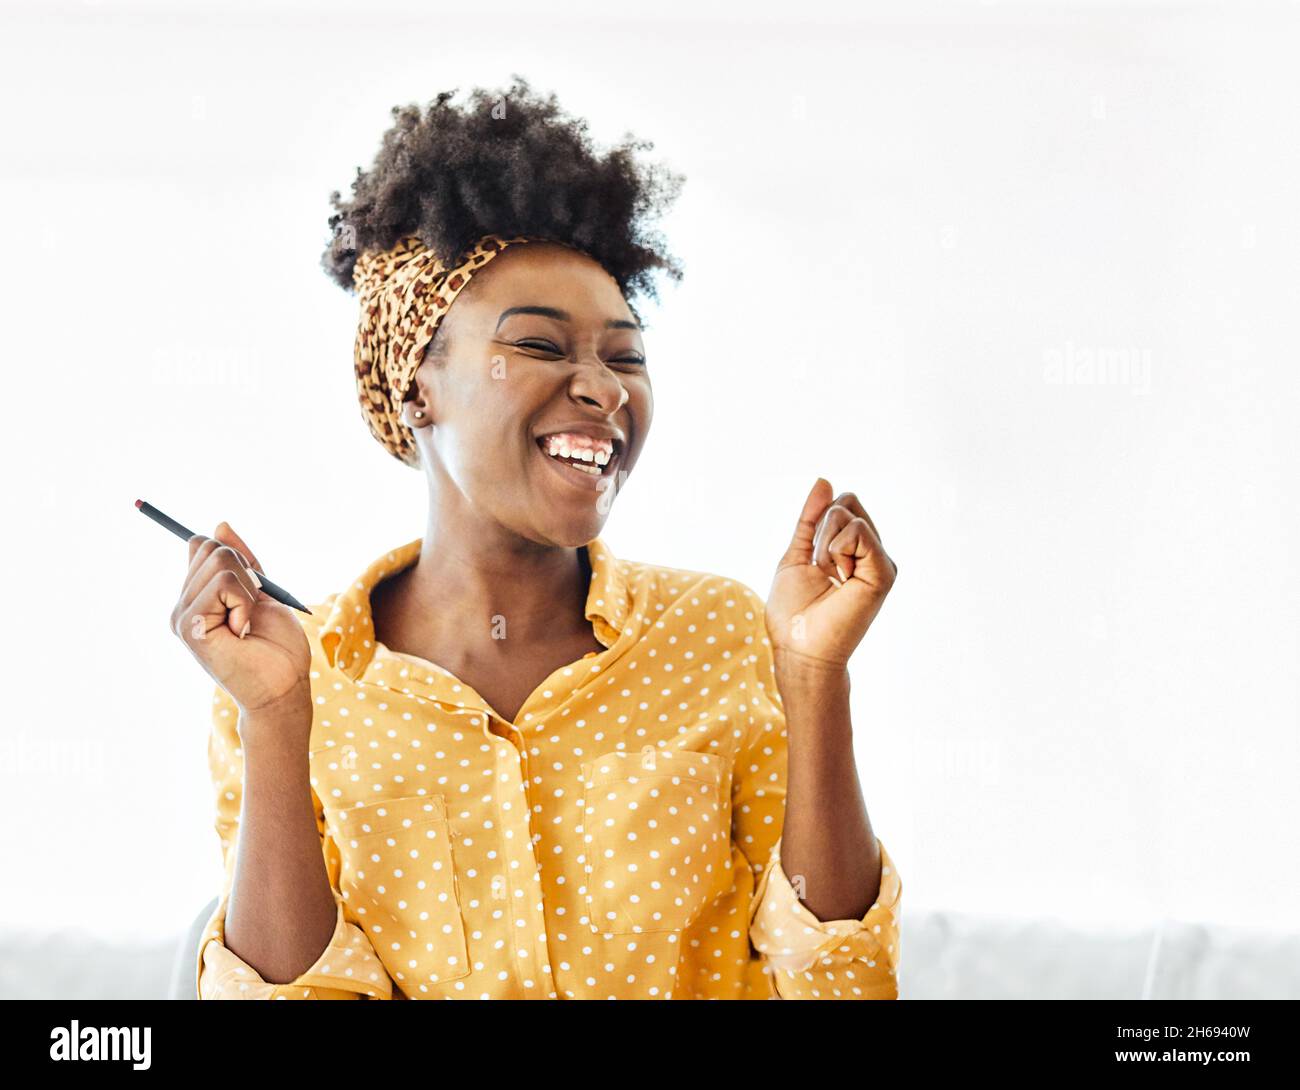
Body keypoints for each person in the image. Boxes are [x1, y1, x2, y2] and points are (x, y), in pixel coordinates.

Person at [172, 76, 901, 1000]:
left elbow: (841, 983)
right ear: (417, 388)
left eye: (626, 355)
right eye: (543, 347)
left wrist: (813, 678)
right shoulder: (297, 679)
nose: (604, 388)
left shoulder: (717, 633)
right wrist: (278, 720)